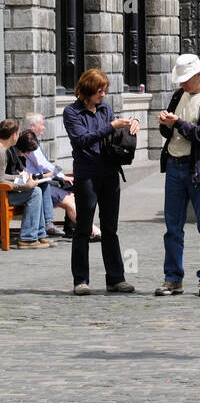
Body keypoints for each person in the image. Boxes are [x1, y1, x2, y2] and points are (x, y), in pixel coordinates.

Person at [155, 54, 200, 298]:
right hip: (175, 166)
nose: (181, 84)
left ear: (198, 75)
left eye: (185, 79)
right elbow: (170, 133)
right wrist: (165, 124)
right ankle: (173, 278)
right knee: (172, 227)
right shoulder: (178, 95)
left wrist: (179, 124)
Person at [62, 71, 139, 293]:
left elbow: (115, 132)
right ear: (87, 90)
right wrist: (112, 126)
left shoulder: (105, 109)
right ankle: (81, 280)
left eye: (104, 90)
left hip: (110, 173)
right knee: (83, 229)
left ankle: (115, 278)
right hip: (87, 175)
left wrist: (132, 124)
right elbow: (82, 140)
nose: (103, 94)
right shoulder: (72, 112)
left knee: (110, 228)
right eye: (100, 90)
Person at [19, 112, 81, 238]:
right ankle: (49, 223)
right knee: (67, 189)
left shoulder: (31, 140)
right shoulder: (27, 142)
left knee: (77, 185)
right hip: (36, 180)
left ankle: (70, 227)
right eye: (42, 125)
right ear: (32, 126)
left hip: (42, 177)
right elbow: (43, 165)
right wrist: (62, 176)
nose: (44, 128)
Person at [0, 118, 55, 250]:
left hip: (3, 191)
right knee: (35, 192)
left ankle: (39, 233)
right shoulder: (1, 152)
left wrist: (17, 177)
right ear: (14, 135)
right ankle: (28, 238)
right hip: (2, 195)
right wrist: (25, 186)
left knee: (37, 188)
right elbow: (0, 181)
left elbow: (1, 176)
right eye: (18, 134)